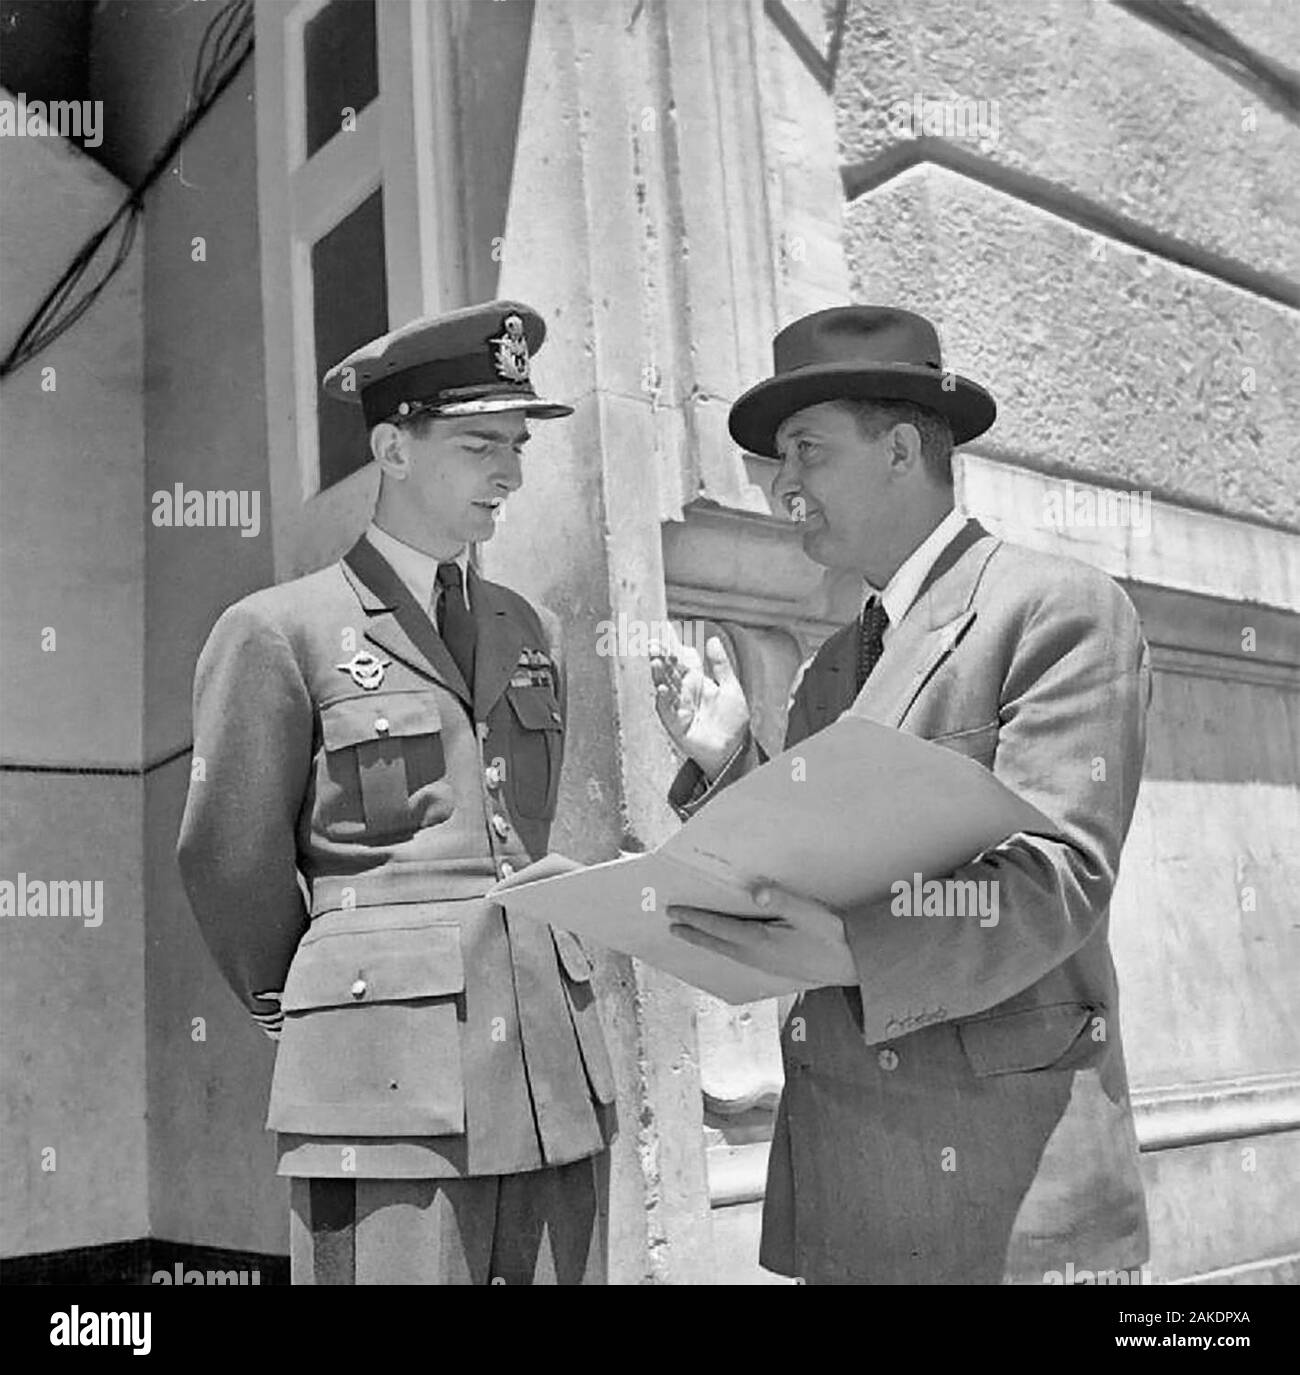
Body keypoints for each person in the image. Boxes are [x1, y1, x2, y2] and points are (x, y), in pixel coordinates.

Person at [651, 305, 1151, 1285]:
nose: (782, 484)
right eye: (776, 460)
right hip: (852, 1187)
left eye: (806, 449)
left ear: (900, 448)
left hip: (1004, 1197)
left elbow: (1053, 880)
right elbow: (809, 856)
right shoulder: (828, 669)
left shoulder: (1055, 609)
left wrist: (848, 942)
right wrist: (727, 765)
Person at [177, 301, 615, 1285]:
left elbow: (519, 836)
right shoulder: (278, 630)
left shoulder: (525, 625)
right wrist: (316, 1005)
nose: (508, 472)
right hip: (383, 1088)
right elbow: (226, 856)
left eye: (516, 445)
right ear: (393, 447)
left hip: (552, 1070)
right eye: (477, 444)